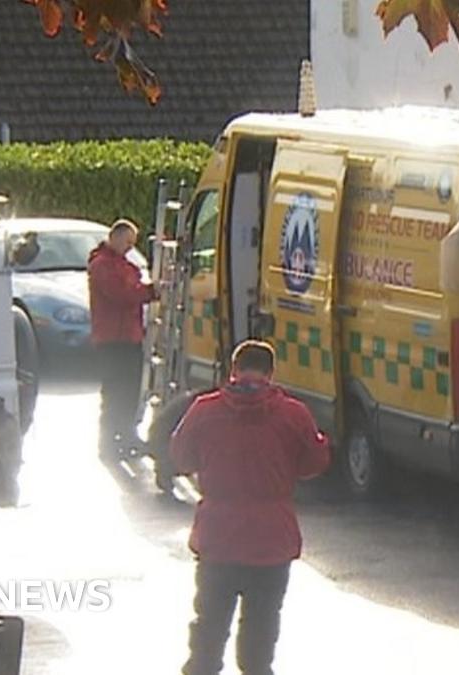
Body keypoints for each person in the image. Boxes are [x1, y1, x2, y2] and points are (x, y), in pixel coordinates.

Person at [170, 340, 331, 675]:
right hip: (271, 541)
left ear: (233, 370)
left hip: (218, 537)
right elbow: (314, 463)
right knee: (260, 635)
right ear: (271, 374)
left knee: (208, 632)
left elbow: (180, 457)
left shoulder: (204, 409)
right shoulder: (293, 413)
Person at [88, 219, 156, 459]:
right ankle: (108, 443)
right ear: (115, 237)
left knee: (128, 391)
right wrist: (151, 292)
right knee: (115, 391)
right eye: (127, 242)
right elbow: (121, 294)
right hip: (113, 338)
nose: (129, 247)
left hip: (126, 335)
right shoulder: (102, 265)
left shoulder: (118, 264)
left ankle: (125, 437)